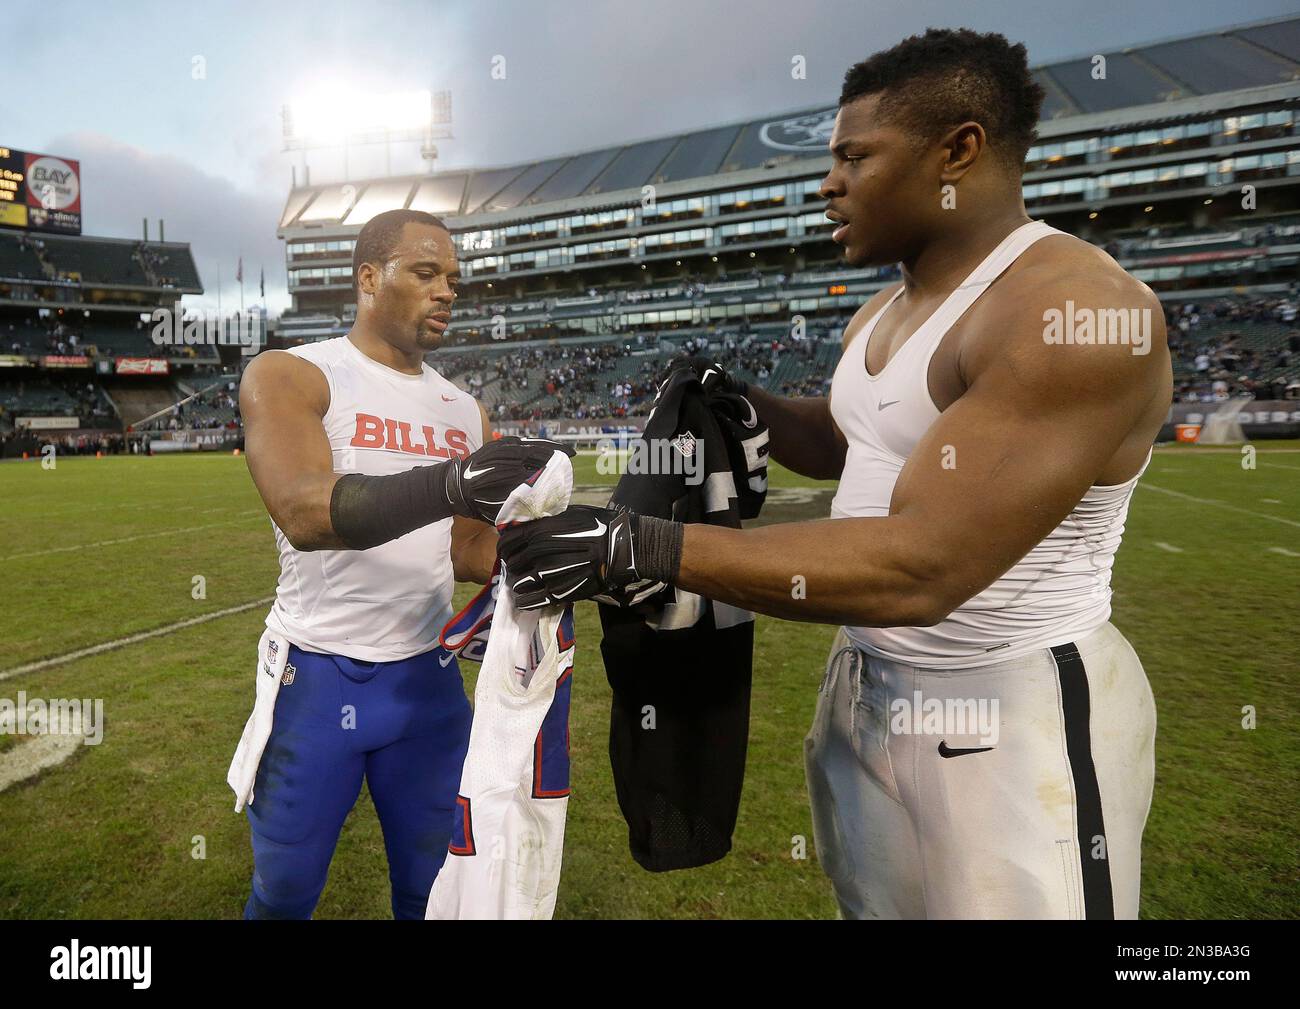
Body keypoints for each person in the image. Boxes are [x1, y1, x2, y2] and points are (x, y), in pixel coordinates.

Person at [496, 29, 1171, 920]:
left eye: (855, 155)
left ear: (957, 150)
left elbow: (922, 564)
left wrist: (639, 544)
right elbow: (852, 443)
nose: (829, 182)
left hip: (1009, 703)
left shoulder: (1075, 307)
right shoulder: (885, 309)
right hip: (868, 687)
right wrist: (740, 401)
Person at [234, 208, 566, 919]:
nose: (447, 290)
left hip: (427, 681)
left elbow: (467, 549)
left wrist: (550, 548)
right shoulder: (293, 373)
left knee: (434, 887)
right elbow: (304, 511)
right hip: (318, 677)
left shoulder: (461, 410)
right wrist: (450, 482)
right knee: (285, 891)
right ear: (367, 277)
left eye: (452, 278)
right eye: (425, 272)